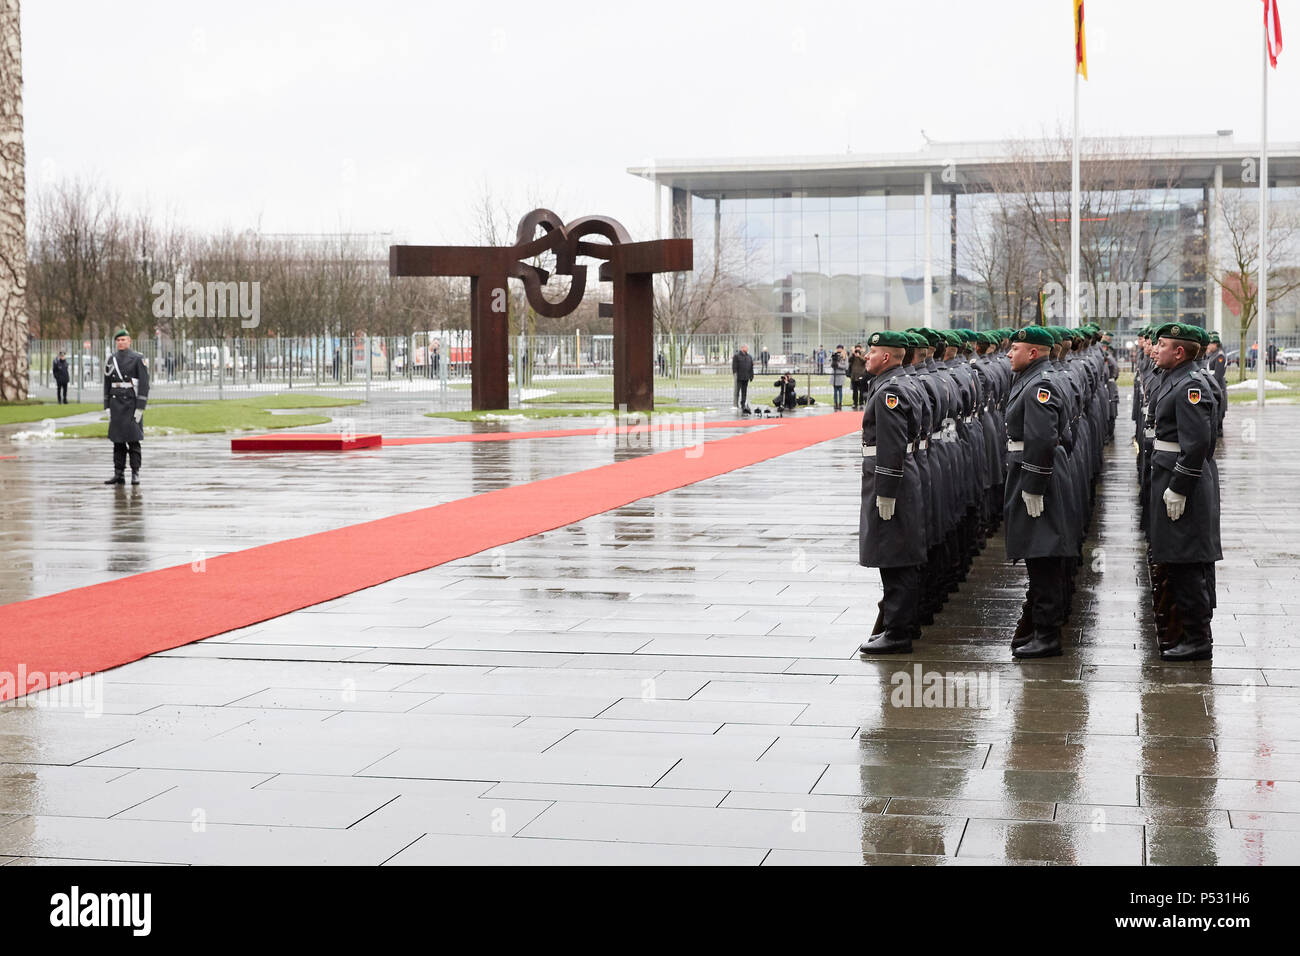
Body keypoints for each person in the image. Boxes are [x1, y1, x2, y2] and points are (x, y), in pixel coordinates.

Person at [1146, 322, 1221, 661]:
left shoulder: (1190, 385)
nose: (1154, 349)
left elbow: (1197, 444)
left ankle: (1197, 638)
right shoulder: (1175, 378)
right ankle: (1191, 633)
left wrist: (1179, 487)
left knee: (1187, 559)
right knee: (1178, 557)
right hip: (1171, 476)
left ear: (1179, 352)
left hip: (1182, 482)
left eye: (1161, 345)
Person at [1002, 326, 1074, 659]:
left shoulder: (1040, 384)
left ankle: (1046, 635)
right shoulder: (1043, 377)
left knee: (1043, 554)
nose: (1008, 353)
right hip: (1039, 471)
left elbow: (1043, 439)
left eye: (1014, 348)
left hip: (1036, 475)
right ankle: (1042, 629)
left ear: (1033, 352)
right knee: (1042, 554)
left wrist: (1034, 484)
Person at [857, 330, 926, 655]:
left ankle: (897, 631)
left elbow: (892, 444)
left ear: (885, 357)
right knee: (896, 552)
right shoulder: (898, 383)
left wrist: (886, 491)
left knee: (895, 555)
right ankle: (898, 625)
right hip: (898, 476)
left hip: (891, 480)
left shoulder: (891, 391)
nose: (866, 357)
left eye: (871, 352)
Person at [103, 329, 150, 486]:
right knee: (118, 442)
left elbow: (144, 384)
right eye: (118, 340)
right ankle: (119, 474)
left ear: (129, 341)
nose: (121, 342)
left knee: (133, 441)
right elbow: (107, 384)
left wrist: (140, 407)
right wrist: (106, 405)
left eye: (123, 340)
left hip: (131, 404)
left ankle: (135, 473)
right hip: (116, 403)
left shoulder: (137, 358)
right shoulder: (111, 359)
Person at [732, 344, 754, 409]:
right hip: (739, 377)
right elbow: (734, 367)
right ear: (742, 348)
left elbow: (751, 367)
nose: (747, 348)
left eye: (747, 347)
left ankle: (743, 404)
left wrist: (751, 375)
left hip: (746, 377)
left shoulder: (749, 356)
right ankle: (735, 405)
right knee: (737, 391)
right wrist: (735, 375)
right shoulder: (736, 356)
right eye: (746, 347)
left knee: (744, 392)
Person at [848, 344, 868, 410]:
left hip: (861, 375)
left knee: (861, 391)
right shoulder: (853, 355)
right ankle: (855, 403)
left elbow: (864, 361)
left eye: (859, 348)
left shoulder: (863, 354)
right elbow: (849, 360)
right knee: (855, 391)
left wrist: (859, 356)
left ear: (861, 349)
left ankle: (861, 403)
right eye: (856, 348)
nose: (858, 349)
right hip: (854, 376)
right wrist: (853, 353)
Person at [830, 345, 848, 411]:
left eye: (840, 348)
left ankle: (840, 403)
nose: (839, 350)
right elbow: (831, 364)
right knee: (835, 391)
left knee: (840, 390)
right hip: (834, 375)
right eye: (838, 348)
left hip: (840, 375)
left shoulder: (845, 356)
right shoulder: (834, 355)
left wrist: (838, 365)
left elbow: (846, 366)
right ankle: (835, 403)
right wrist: (833, 362)